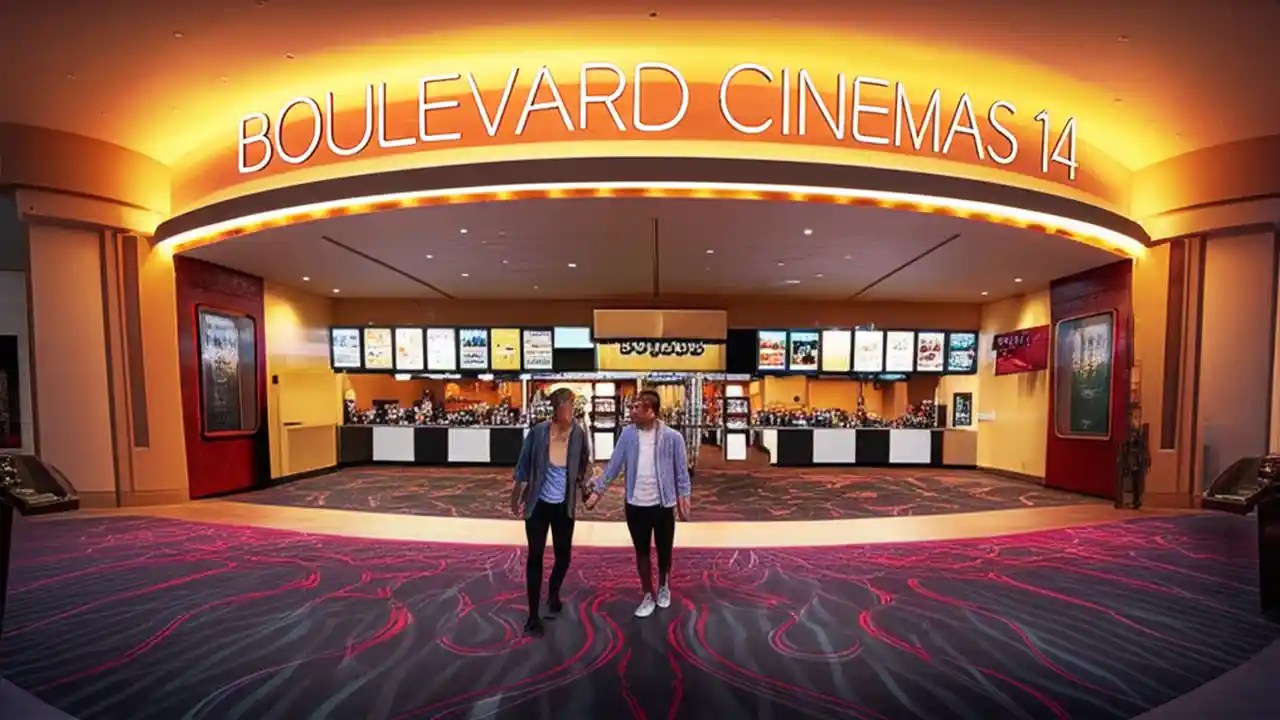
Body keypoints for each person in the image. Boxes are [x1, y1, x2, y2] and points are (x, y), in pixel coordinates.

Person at [587, 390, 692, 618]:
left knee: (664, 552)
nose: (631, 411)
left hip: (663, 505)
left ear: (651, 411)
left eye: (637, 408)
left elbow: (681, 473)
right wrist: (598, 492)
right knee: (641, 552)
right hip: (635, 504)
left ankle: (663, 586)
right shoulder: (627, 435)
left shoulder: (673, 438)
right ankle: (647, 594)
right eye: (631, 407)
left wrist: (684, 500)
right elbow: (614, 466)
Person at [511, 388, 593, 637]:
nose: (569, 412)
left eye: (571, 406)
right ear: (555, 409)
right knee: (535, 556)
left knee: (563, 556)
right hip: (538, 505)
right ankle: (533, 616)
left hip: (563, 506)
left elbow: (584, 465)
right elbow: (523, 467)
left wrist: (586, 488)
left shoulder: (579, 434)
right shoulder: (538, 433)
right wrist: (515, 498)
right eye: (565, 406)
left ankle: (554, 591)